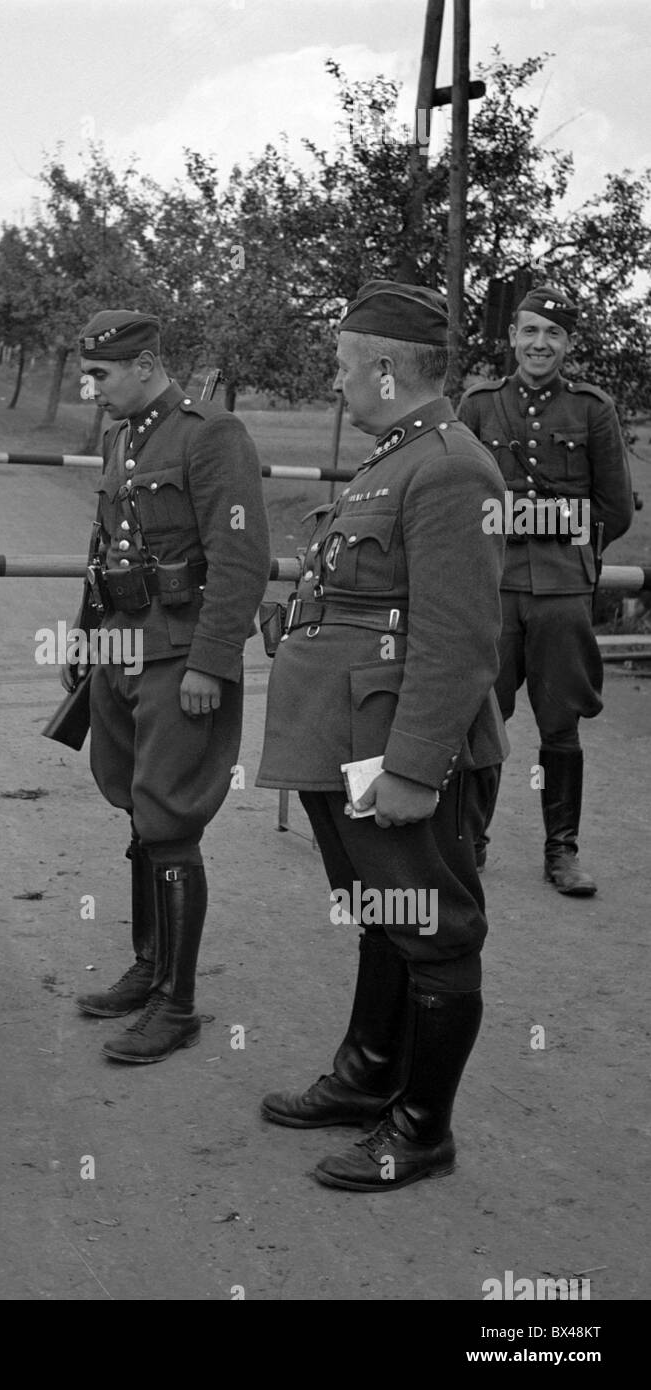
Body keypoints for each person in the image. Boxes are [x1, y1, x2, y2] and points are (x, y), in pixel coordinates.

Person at [256, 281, 508, 1190]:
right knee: (381, 914)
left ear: (387, 369)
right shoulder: (396, 459)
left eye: (341, 367)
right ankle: (368, 1077)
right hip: (349, 739)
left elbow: (459, 637)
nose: (336, 385)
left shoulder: (448, 467)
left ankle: (421, 1127)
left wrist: (412, 770)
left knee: (434, 930)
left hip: (392, 752)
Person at [65, 310, 271, 1063]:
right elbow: (102, 551)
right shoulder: (123, 437)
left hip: (180, 656)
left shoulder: (210, 434)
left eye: (100, 375)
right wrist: (84, 637)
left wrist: (210, 666)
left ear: (146, 365)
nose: (91, 390)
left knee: (169, 820)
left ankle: (177, 1006)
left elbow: (241, 558)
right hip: (122, 649)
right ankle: (149, 968)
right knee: (135, 806)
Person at [458, 285, 633, 894]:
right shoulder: (479, 404)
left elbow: (614, 507)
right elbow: (455, 492)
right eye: (529, 331)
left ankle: (562, 852)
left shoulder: (591, 410)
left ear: (567, 344)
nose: (540, 344)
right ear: (512, 338)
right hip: (494, 586)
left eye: (552, 334)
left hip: (562, 592)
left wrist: (564, 543)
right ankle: (468, 844)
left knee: (561, 725)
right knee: (481, 715)